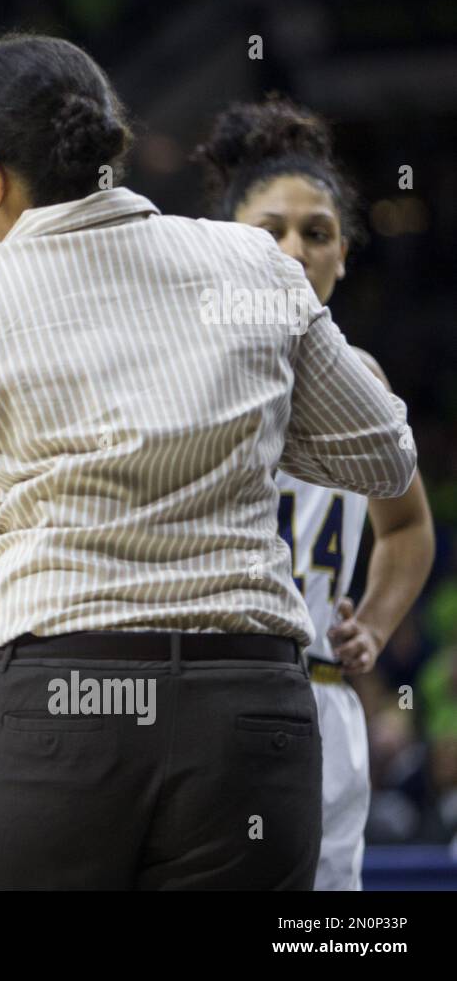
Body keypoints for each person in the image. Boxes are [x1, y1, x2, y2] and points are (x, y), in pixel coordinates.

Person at [0, 33, 417, 889]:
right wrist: (242, 425)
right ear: (111, 140)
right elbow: (385, 455)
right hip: (247, 715)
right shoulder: (251, 262)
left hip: (56, 707)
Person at [196, 97, 435, 889]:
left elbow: (407, 528)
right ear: (229, 244)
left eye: (317, 233)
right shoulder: (184, 358)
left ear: (342, 255)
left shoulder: (363, 378)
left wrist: (373, 623)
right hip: (206, 688)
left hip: (325, 697)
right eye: (270, 231)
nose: (294, 250)